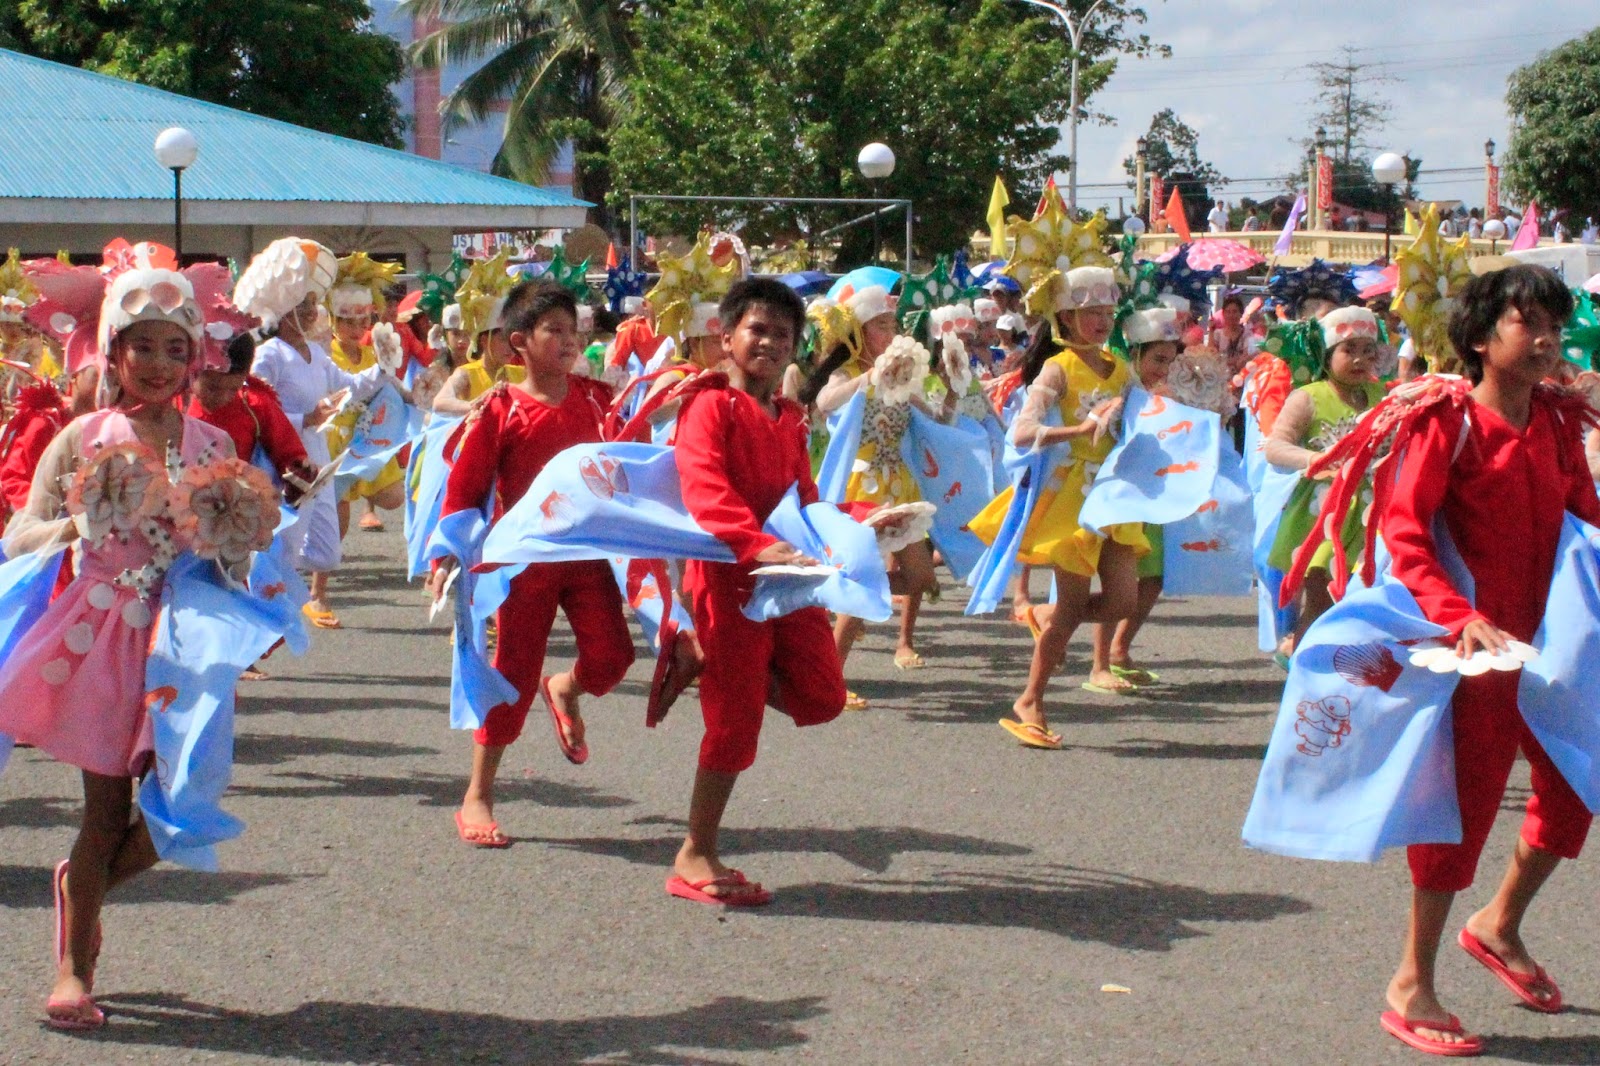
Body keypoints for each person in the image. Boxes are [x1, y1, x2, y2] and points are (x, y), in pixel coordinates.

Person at [1279, 265, 1595, 1056]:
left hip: (1552, 645)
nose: (1547, 339)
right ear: (1482, 339)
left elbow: (1584, 521)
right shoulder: (1444, 420)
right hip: (1472, 651)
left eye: (1555, 324)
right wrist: (1460, 617)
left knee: (1578, 786)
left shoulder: (1557, 421)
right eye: (1529, 323)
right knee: (1464, 808)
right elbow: (1406, 533)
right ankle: (1411, 981)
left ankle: (1498, 925)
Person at [0, 253, 265, 1030]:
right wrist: (75, 529)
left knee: (181, 804)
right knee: (106, 810)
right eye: (141, 345)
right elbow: (18, 535)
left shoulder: (213, 443)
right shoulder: (82, 437)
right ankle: (73, 972)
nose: (157, 363)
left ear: (195, 357)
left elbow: (233, 555)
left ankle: (78, 891)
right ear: (112, 351)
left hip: (184, 645)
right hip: (103, 640)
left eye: (175, 348)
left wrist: (238, 552)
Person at [428, 281, 634, 848]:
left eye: (574, 331)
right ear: (519, 342)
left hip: (587, 556)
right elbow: (465, 489)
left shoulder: (597, 400)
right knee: (512, 679)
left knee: (613, 659)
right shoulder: (500, 408)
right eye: (554, 331)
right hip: (523, 563)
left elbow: (630, 458)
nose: (570, 342)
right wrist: (447, 554)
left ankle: (564, 687)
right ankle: (478, 795)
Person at [669, 277, 848, 905]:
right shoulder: (709, 405)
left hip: (787, 575)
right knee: (735, 720)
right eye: (758, 329)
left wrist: (849, 531)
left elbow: (805, 497)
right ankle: (695, 852)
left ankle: (708, 659)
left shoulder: (790, 417)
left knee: (824, 696)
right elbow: (702, 485)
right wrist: (753, 543)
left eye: (783, 334)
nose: (770, 342)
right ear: (726, 338)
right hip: (728, 574)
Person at [967, 264, 1143, 748]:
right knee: (1072, 607)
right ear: (1065, 317)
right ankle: (1031, 700)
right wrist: (1078, 430)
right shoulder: (1057, 367)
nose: (1102, 321)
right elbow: (1022, 431)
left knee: (1122, 601)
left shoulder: (1121, 368)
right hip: (1073, 500)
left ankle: (1044, 618)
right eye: (1091, 312)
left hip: (1115, 496)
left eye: (1108, 311)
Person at [238, 238, 397, 631]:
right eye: (304, 304)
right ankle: (260, 614)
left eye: (313, 303)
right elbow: (254, 407)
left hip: (319, 461)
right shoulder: (271, 354)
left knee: (326, 553)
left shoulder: (316, 354)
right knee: (285, 548)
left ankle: (268, 584)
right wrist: (303, 419)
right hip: (286, 464)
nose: (313, 311)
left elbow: (349, 388)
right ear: (285, 311)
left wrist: (382, 366)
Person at [810, 284, 954, 698]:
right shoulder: (846, 372)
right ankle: (831, 678)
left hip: (900, 484)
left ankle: (842, 592)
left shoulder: (902, 375)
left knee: (921, 578)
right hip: (862, 487)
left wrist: (951, 389)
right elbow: (825, 401)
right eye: (881, 325)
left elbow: (938, 419)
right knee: (865, 579)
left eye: (892, 324)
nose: (891, 332)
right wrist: (869, 377)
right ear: (859, 332)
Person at [1264, 307, 1386, 650]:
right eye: (1349, 350)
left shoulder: (1383, 397)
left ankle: (1330, 666)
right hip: (1324, 514)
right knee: (1321, 599)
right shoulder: (1309, 397)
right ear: (1327, 353)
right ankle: (1301, 664)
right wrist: (1316, 459)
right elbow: (1274, 448)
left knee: (1360, 603)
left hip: (1372, 515)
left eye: (1368, 350)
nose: (1360, 359)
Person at [325, 255, 407, 534]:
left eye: (362, 322)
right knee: (337, 518)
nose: (357, 329)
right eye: (348, 322)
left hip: (366, 437)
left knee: (394, 496)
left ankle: (362, 488)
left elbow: (389, 384)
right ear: (333, 320)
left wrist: (418, 399)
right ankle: (323, 564)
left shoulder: (371, 353)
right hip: (334, 439)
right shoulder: (326, 353)